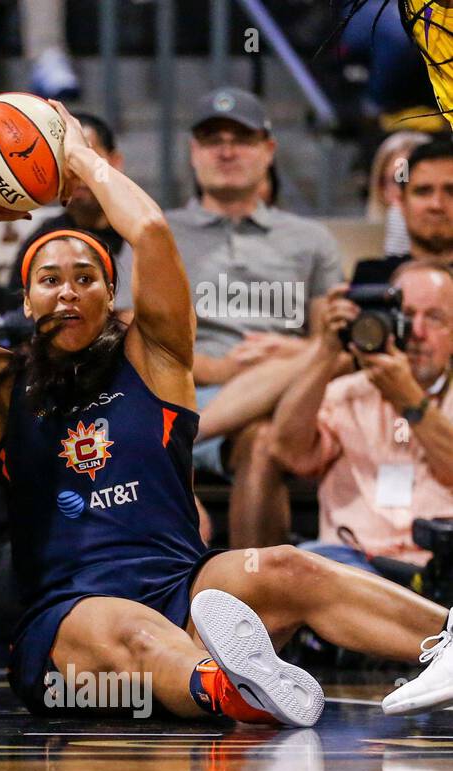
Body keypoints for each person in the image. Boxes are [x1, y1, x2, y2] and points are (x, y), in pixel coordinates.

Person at [0, 102, 453, 723]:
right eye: (49, 279)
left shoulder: (155, 357)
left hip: (189, 596)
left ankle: (445, 639)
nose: (68, 290)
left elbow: (153, 232)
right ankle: (236, 689)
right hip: (70, 623)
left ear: (114, 297)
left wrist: (79, 156)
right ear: (24, 302)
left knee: (290, 564)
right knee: (132, 629)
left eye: (86, 277)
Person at [166, 88, 344, 550]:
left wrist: (298, 353)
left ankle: (176, 439)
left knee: (326, 368)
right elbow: (133, 335)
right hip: (188, 390)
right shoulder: (157, 231)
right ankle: (262, 609)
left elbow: (336, 339)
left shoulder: (309, 239)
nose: (226, 150)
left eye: (241, 138)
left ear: (269, 149)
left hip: (289, 398)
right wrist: (223, 370)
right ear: (193, 152)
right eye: (212, 139)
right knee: (263, 434)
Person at [270, 260, 453, 572]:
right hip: (351, 568)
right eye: (405, 316)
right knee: (300, 562)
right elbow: (288, 452)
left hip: (440, 570)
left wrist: (409, 398)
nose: (417, 332)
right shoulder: (344, 394)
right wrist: (326, 351)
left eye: (434, 318)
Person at [8, 112, 134, 314]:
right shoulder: (43, 240)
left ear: (115, 162)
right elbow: (16, 318)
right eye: (65, 160)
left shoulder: (139, 235)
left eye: (85, 158)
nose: (75, 171)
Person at [353, 135, 453, 282]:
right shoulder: (369, 278)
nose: (436, 205)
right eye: (423, 191)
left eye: (451, 191)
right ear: (400, 201)